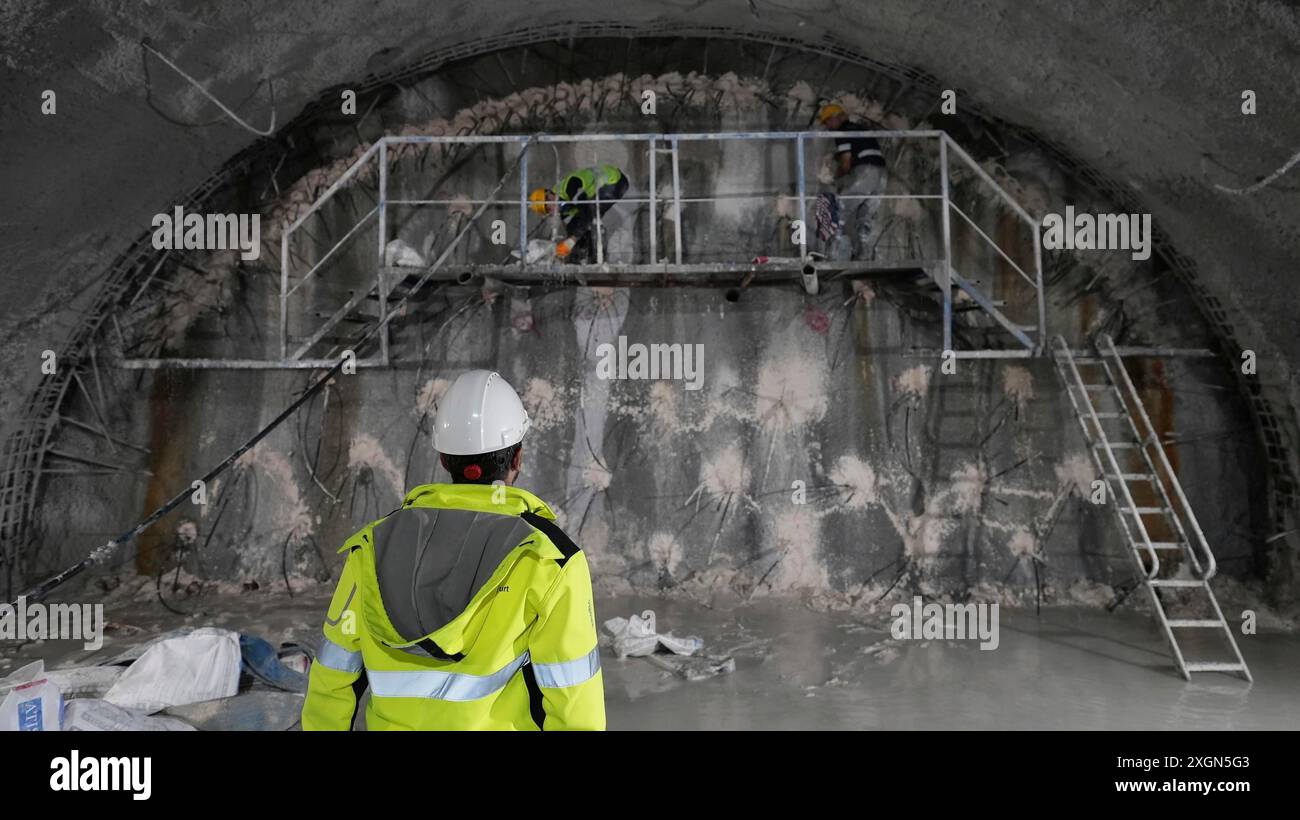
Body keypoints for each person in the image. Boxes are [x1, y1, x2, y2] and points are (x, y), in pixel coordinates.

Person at [302, 370, 605, 731]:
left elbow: (332, 681)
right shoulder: (549, 559)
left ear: (445, 459)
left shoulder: (373, 546)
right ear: (518, 458)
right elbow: (575, 706)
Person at [818, 103, 889, 261]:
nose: (828, 126)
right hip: (882, 174)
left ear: (836, 118)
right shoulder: (859, 128)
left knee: (840, 207)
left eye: (828, 122)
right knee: (866, 215)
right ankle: (863, 255)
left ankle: (833, 254)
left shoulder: (842, 131)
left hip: (866, 171)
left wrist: (837, 180)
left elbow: (846, 162)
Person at [530, 164, 628, 263]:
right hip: (600, 191)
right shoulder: (562, 207)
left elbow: (587, 213)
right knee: (575, 225)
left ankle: (597, 260)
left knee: (590, 215)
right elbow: (572, 223)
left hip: (614, 180)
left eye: (548, 204)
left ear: (550, 194)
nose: (551, 208)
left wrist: (572, 240)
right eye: (547, 210)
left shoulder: (570, 185)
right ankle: (578, 259)